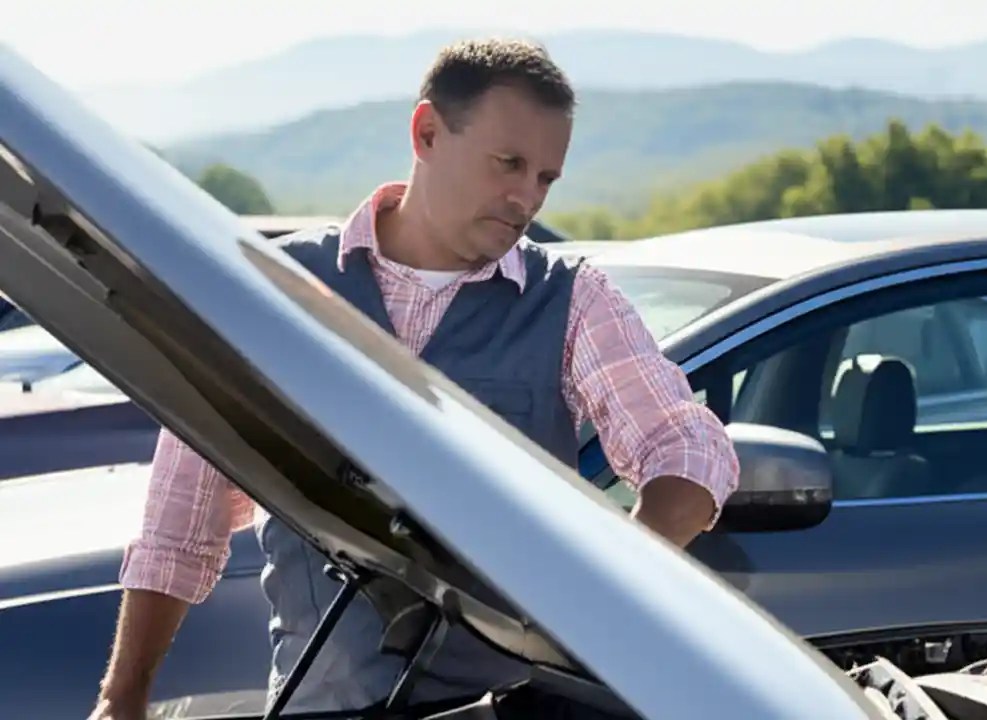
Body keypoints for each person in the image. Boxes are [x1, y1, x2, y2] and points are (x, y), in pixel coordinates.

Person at [88, 37, 739, 720]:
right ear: (427, 132)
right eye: (508, 163)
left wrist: (613, 588)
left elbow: (688, 448)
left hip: (510, 708)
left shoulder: (572, 301)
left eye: (546, 178)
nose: (527, 199)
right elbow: (181, 527)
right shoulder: (272, 294)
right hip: (321, 705)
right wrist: (122, 695)